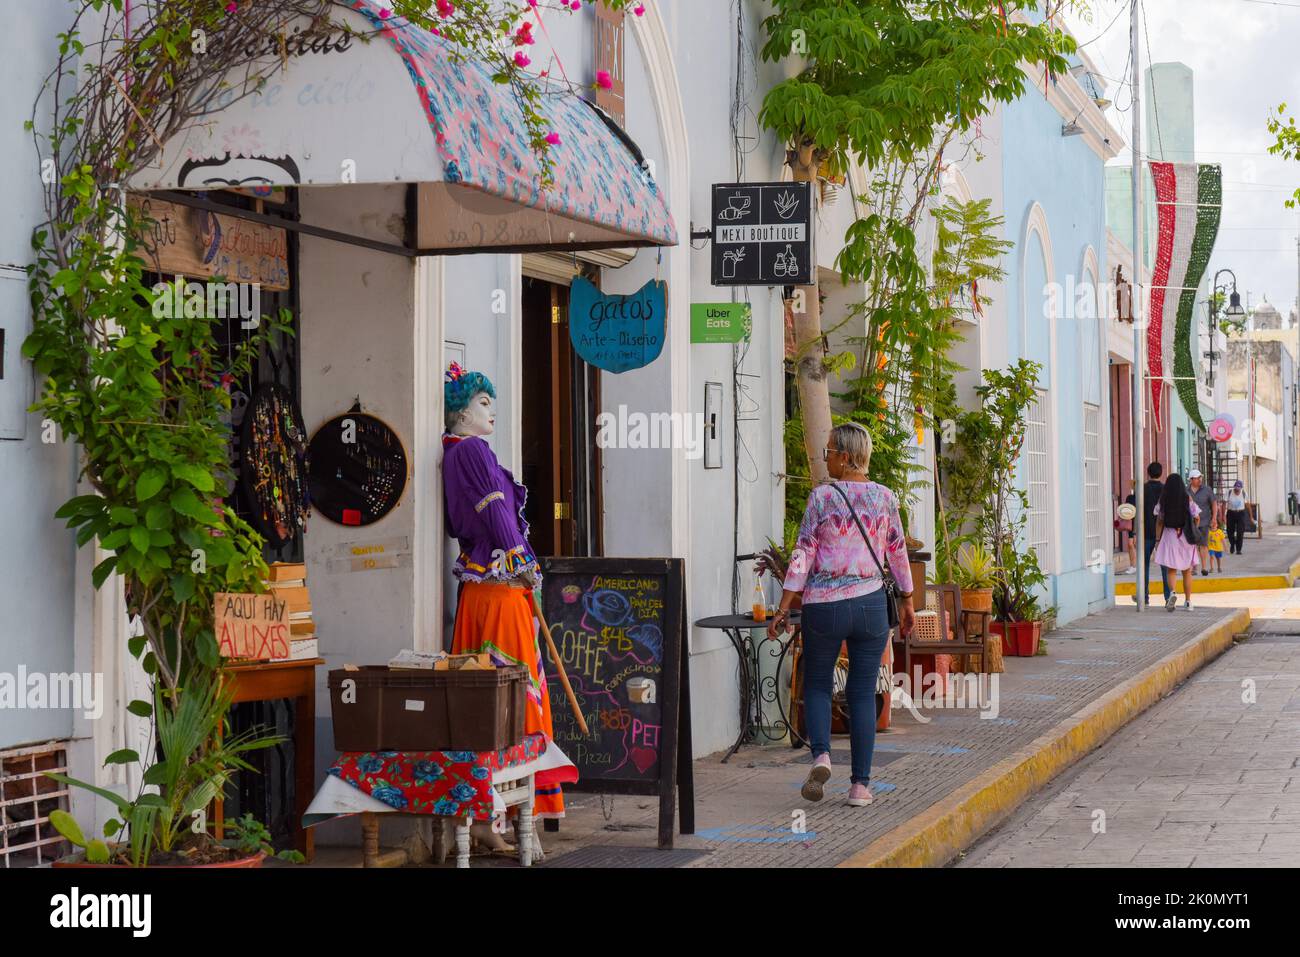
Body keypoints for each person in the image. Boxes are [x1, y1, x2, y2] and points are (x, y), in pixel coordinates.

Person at [441, 363, 576, 821]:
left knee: (498, 695)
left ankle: (494, 809)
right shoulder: (473, 451)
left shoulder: (456, 453)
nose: (491, 411)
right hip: (499, 589)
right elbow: (497, 515)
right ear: (460, 411)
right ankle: (514, 807)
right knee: (516, 692)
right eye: (482, 403)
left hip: (486, 591)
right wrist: (522, 564)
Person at [769, 423, 915, 809]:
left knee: (817, 683)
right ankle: (860, 788)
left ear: (846, 456)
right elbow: (898, 553)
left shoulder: (821, 499)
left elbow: (803, 555)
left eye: (830, 449)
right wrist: (908, 600)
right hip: (869, 608)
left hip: (824, 607)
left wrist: (784, 607)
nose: (825, 455)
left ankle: (821, 757)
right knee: (863, 692)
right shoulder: (885, 498)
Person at [1154, 472, 1201, 611]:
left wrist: (1157, 539)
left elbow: (1159, 521)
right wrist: (1194, 529)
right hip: (1185, 536)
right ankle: (1188, 601)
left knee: (1171, 569)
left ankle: (1173, 593)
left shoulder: (1164, 500)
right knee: (1187, 570)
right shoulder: (1187, 498)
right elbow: (1197, 517)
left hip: (1170, 536)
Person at [1132, 462, 1172, 606]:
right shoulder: (1166, 490)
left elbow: (1136, 512)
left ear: (1148, 473)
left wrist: (1134, 533)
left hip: (1145, 533)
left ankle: (1144, 597)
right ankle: (1168, 597)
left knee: (1144, 565)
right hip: (1163, 534)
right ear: (1161, 473)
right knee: (1165, 567)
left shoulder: (1141, 489)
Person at [1188, 470, 1214, 575]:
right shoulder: (1185, 491)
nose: (1199, 479)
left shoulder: (1207, 490)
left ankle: (1204, 568)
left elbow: (1214, 503)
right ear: (1191, 480)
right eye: (1197, 478)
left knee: (1203, 545)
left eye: (1200, 477)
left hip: (1204, 521)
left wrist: (1214, 518)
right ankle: (1194, 568)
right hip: (1190, 523)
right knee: (1191, 545)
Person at [1226, 480, 1248, 555]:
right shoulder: (1229, 492)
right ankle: (1232, 544)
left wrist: (1250, 516)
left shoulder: (1244, 493)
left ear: (1241, 488)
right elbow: (1224, 504)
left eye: (1238, 488)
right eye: (1236, 488)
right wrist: (1222, 515)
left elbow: (1247, 504)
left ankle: (1238, 549)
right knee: (1229, 531)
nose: (1237, 490)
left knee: (1240, 532)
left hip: (1241, 513)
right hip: (1231, 513)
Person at [1122, 480, 1138, 572]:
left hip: (1141, 523)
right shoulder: (1130, 497)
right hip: (1131, 523)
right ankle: (1133, 566)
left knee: (1136, 545)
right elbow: (1125, 510)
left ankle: (1136, 565)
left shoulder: (1144, 497)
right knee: (1130, 544)